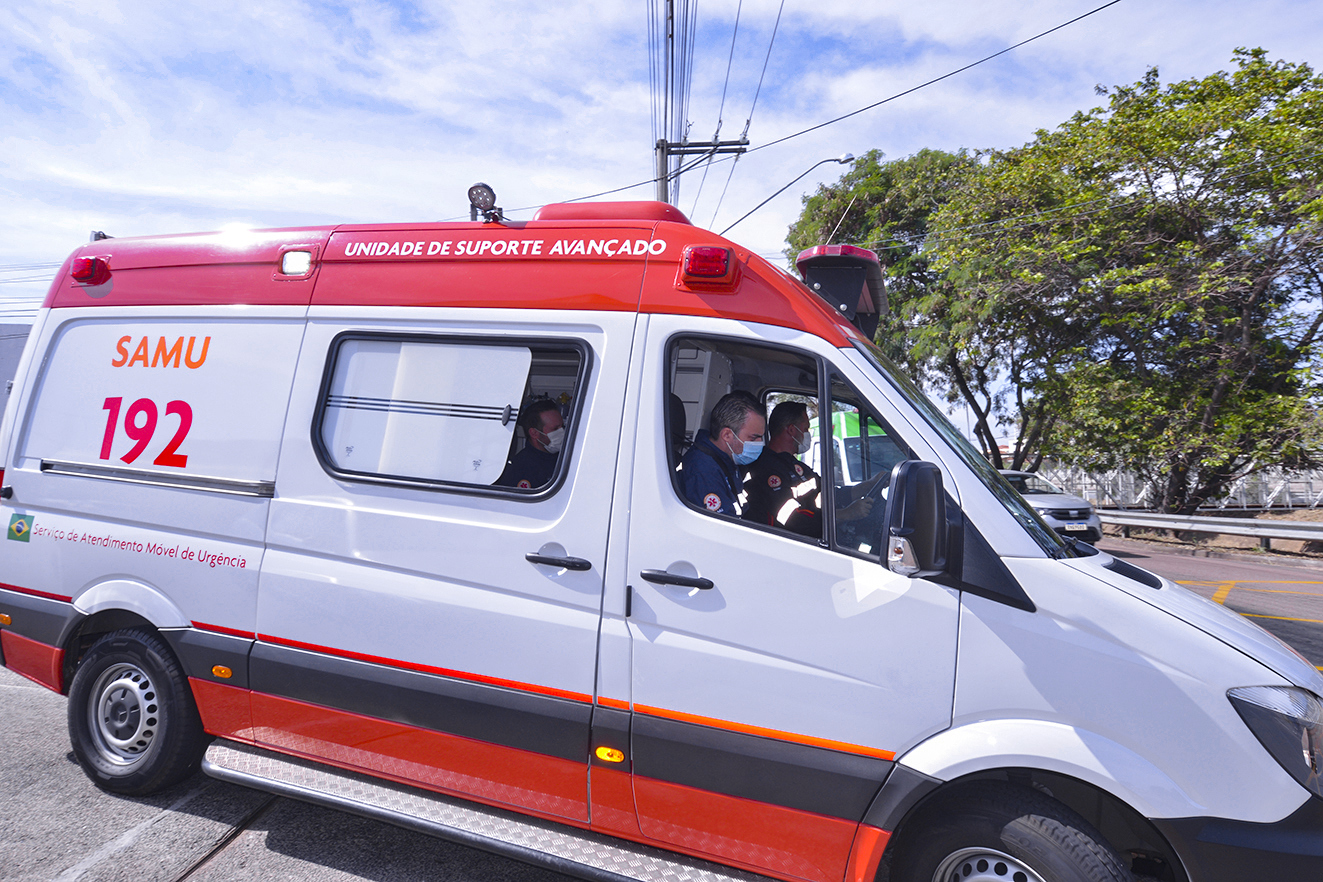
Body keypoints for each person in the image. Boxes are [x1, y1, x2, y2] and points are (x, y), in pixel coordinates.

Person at [742, 401, 878, 537]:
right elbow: (790, 518)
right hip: (792, 545)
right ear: (791, 430)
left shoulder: (795, 465)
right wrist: (843, 515)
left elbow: (827, 494)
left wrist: (868, 485)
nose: (807, 434)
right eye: (806, 429)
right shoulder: (767, 469)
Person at [679, 392, 765, 516]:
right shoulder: (703, 471)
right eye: (753, 438)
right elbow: (718, 529)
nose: (760, 443)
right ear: (727, 435)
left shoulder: (727, 459)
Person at [497, 399, 564, 489]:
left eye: (562, 426)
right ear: (534, 433)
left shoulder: (563, 457)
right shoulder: (521, 470)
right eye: (555, 429)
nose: (562, 432)